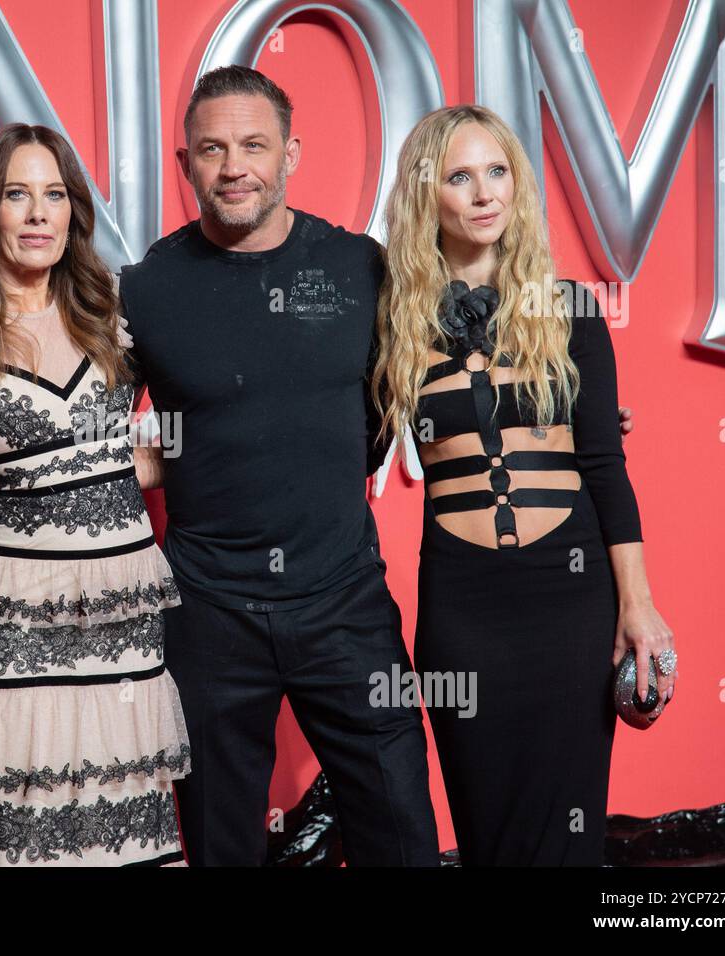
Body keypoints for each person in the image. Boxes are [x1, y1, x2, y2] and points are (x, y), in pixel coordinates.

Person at [109, 65, 443, 866]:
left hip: (345, 602)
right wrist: (9, 468)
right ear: (185, 161)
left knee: (402, 832)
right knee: (223, 845)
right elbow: (99, 443)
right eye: (213, 149)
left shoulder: (363, 269)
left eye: (254, 145)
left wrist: (558, 419)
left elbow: (427, 392)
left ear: (291, 152)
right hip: (206, 613)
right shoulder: (146, 288)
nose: (234, 167)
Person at [372, 104, 676, 865]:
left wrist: (637, 606)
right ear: (424, 196)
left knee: (567, 834)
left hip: (569, 604)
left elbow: (605, 465)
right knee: (485, 831)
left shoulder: (570, 311)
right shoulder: (392, 324)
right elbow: (342, 445)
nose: (484, 194)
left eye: (498, 172)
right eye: (460, 176)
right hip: (462, 608)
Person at [0, 123, 191, 866]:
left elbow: (165, 441)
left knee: (125, 819)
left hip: (121, 595)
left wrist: (159, 460)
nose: (39, 213)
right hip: (19, 602)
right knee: (31, 816)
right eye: (17, 194)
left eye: (54, 195)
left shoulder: (110, 313)